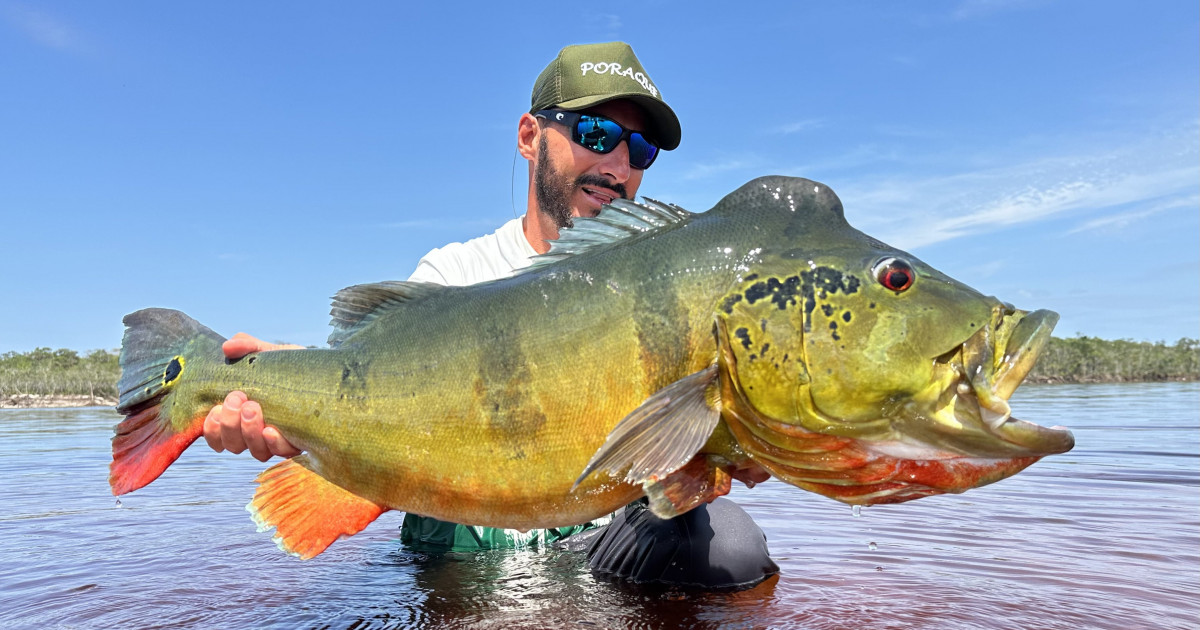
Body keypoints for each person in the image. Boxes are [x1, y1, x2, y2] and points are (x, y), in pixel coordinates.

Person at [203, 42, 778, 589]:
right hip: (460, 561)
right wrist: (279, 401)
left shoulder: (669, 293)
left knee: (730, 547)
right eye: (597, 133)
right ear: (530, 137)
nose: (619, 166)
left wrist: (738, 446)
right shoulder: (454, 274)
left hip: (601, 556)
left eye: (641, 149)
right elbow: (369, 389)